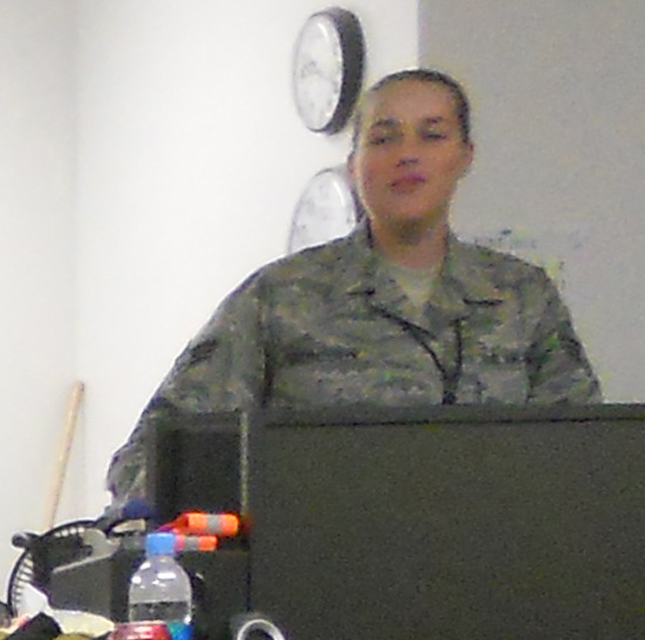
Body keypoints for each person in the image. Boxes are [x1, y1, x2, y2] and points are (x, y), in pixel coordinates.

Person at [109, 68, 599, 510]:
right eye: (383, 139)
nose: (407, 155)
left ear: (465, 156)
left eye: (432, 135)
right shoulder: (283, 297)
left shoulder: (520, 297)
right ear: (354, 165)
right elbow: (150, 459)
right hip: (318, 574)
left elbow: (589, 455)